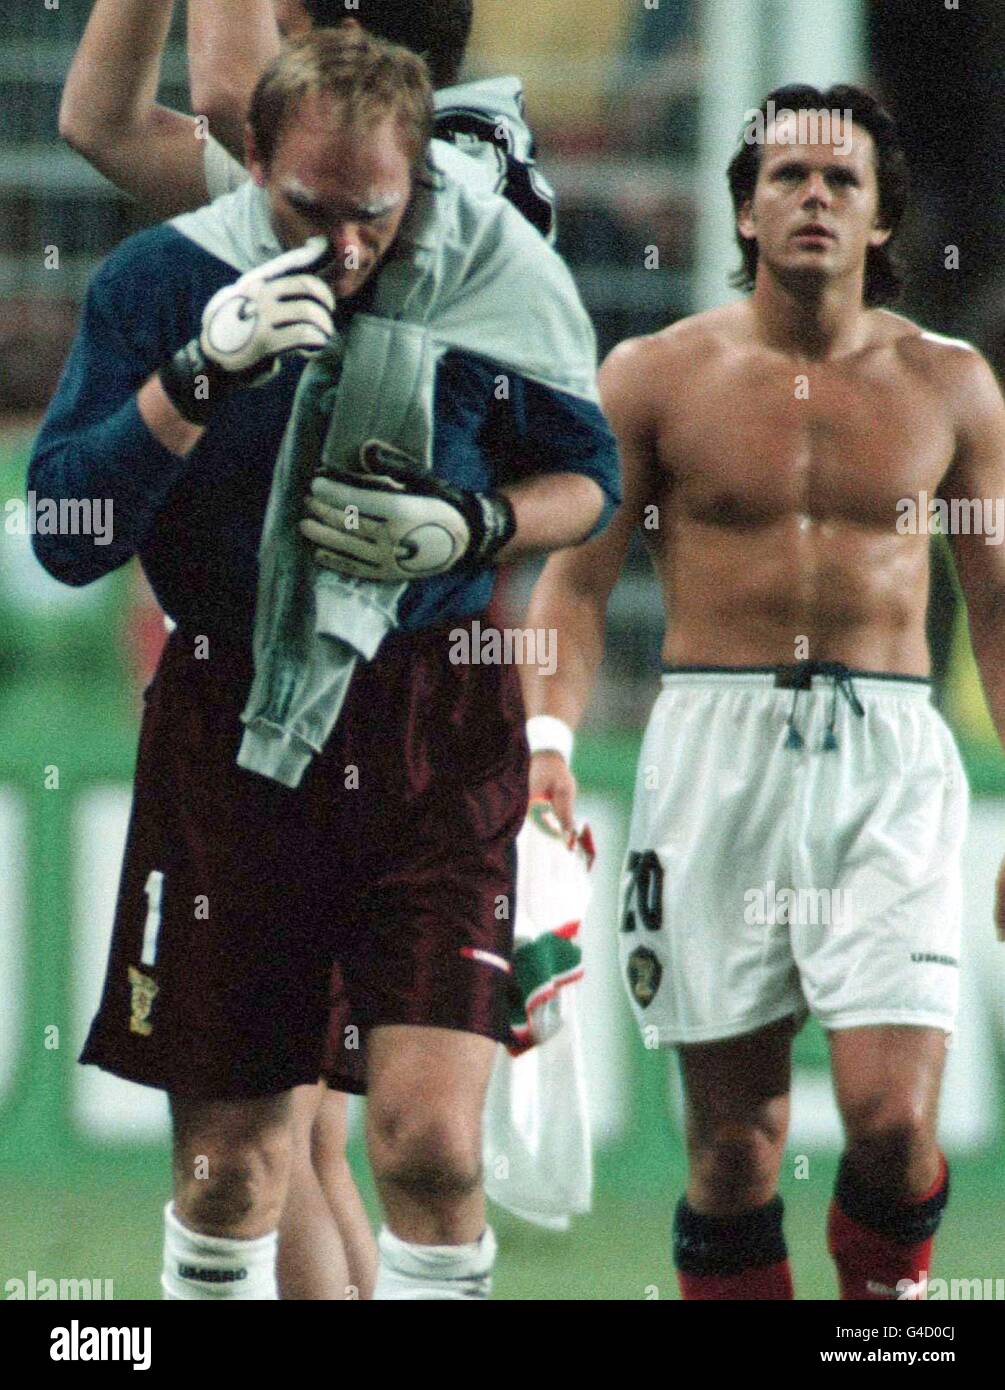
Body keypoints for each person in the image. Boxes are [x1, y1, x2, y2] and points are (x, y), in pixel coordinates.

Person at [32, 31, 620, 1301]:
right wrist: (194, 376)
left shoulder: (493, 279)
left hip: (436, 715)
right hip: (232, 718)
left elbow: (594, 475)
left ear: (421, 182)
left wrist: (482, 524)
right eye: (310, 208)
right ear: (247, 161)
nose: (346, 246)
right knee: (235, 1169)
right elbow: (67, 535)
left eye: (377, 214)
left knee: (432, 1143)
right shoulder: (159, 282)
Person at [523, 83, 1005, 1300]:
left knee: (892, 1124)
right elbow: (574, 588)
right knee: (736, 1153)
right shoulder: (650, 376)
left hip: (888, 759)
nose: (812, 199)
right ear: (743, 210)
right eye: (786, 178)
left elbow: (1000, 605)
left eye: (840, 180)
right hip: (712, 752)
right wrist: (545, 743)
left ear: (883, 218)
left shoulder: (953, 388)